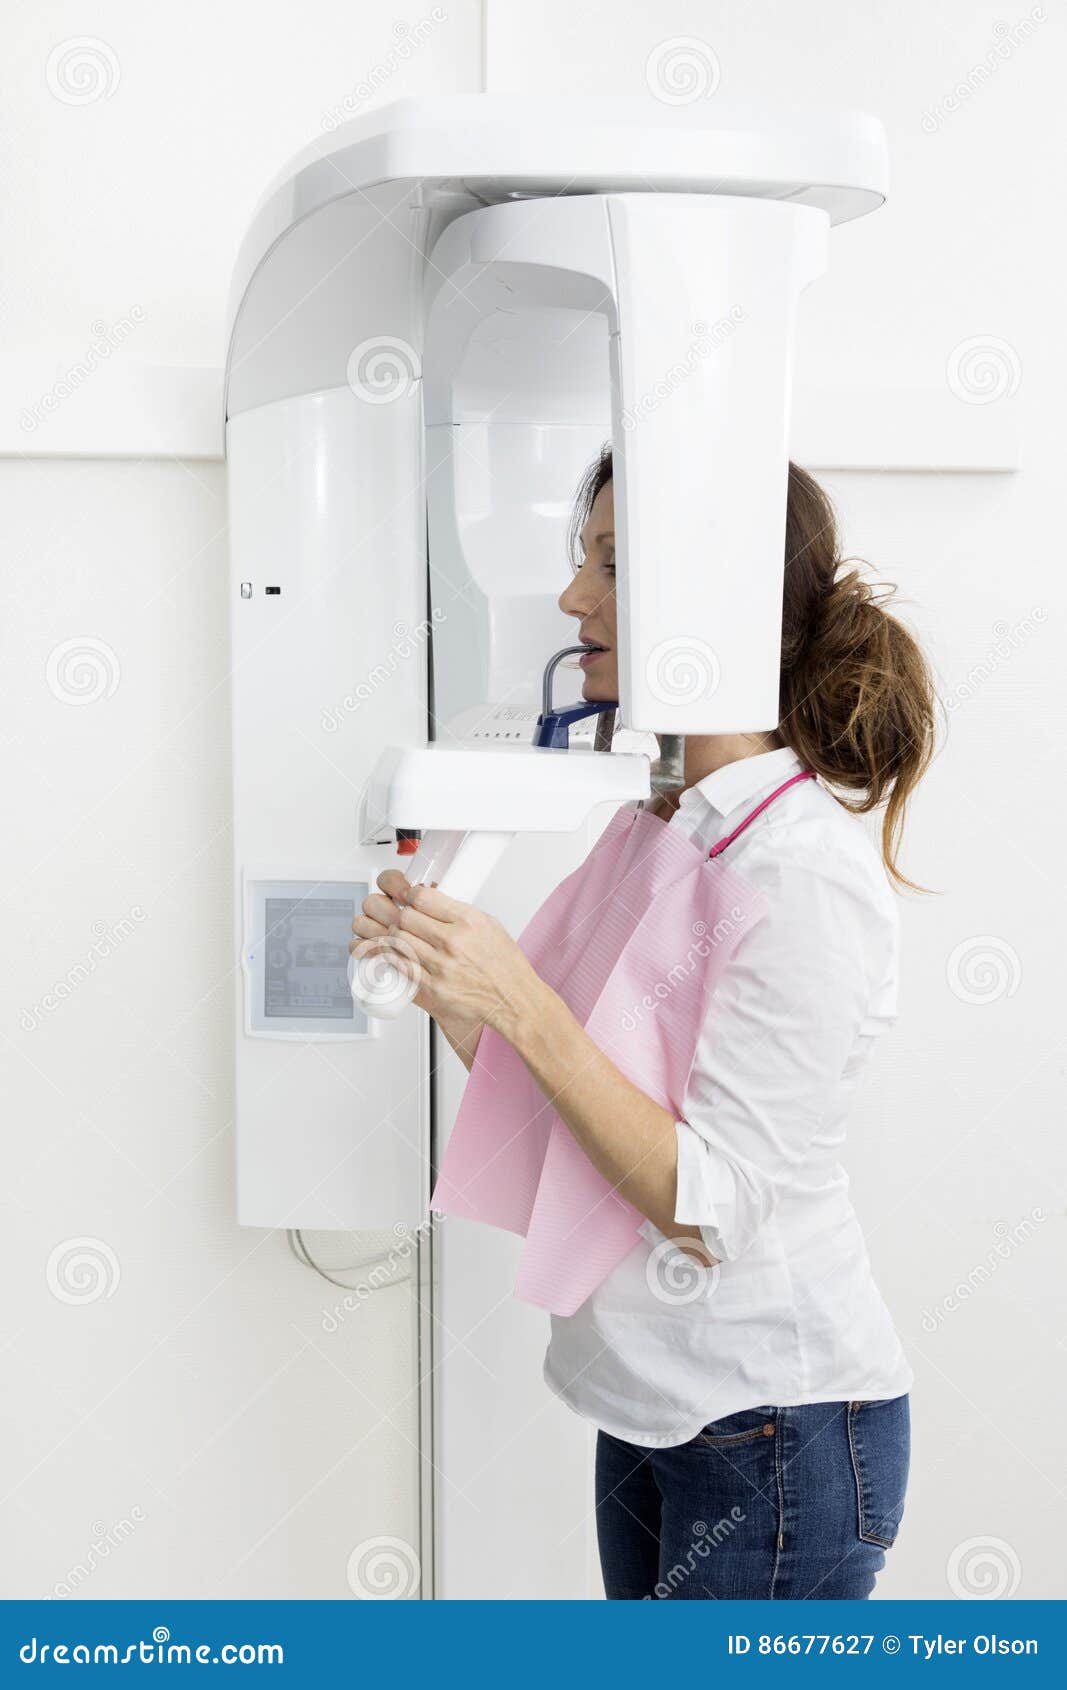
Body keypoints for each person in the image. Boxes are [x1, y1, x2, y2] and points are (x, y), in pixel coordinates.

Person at [350, 449, 936, 1599]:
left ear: (719, 602)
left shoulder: (802, 874)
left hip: (771, 1423)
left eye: (612, 566)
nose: (575, 600)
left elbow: (711, 1212)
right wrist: (454, 990)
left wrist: (516, 995)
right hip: (658, 1408)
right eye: (585, 561)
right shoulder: (663, 823)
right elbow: (589, 1107)